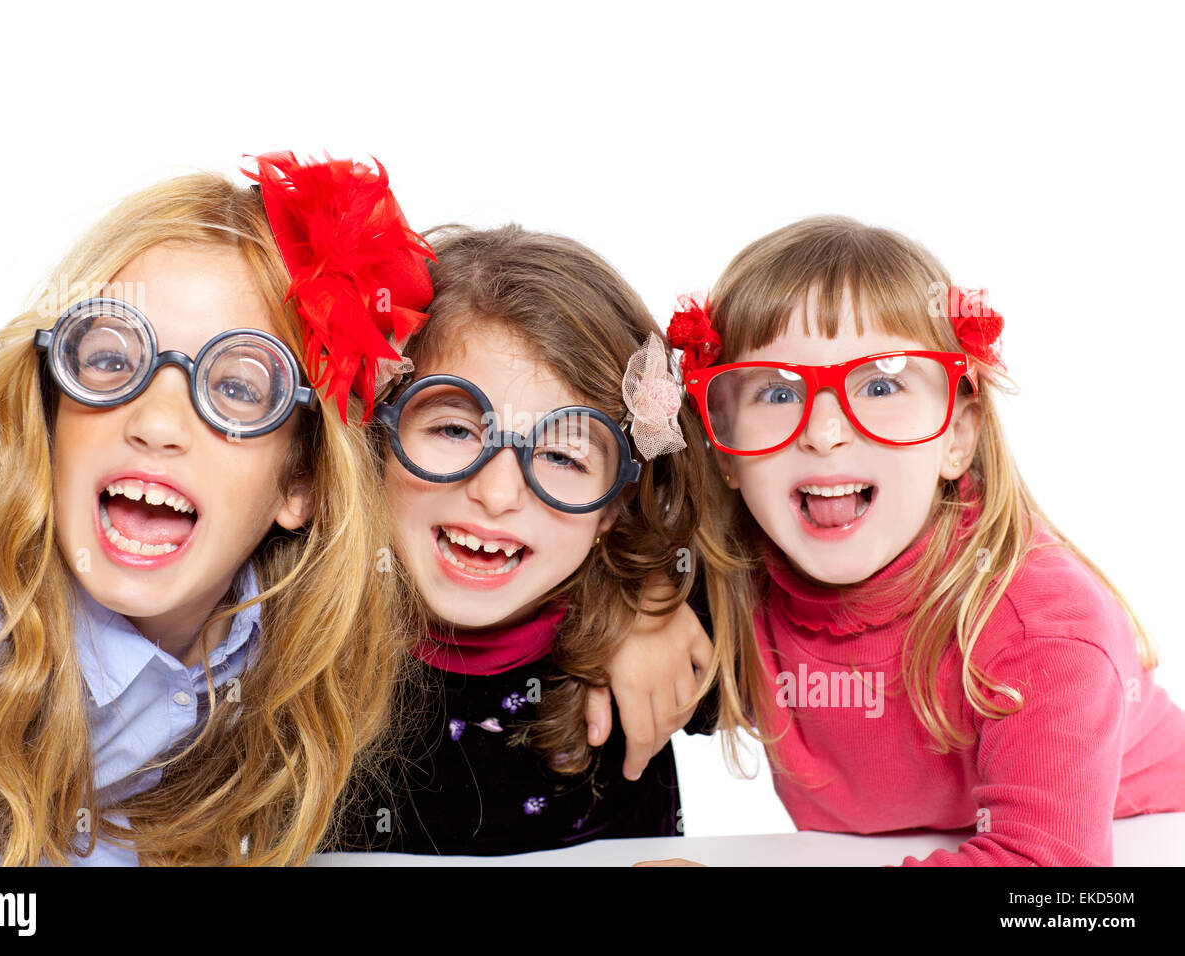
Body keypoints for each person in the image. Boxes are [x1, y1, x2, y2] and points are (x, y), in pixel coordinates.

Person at [0, 152, 429, 865]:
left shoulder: (283, 634)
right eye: (111, 360)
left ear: (300, 486)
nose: (158, 423)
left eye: (237, 388)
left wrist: (627, 615)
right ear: (51, 420)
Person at [666, 215, 1185, 865]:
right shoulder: (738, 580)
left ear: (957, 435)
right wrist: (636, 627)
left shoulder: (1041, 623)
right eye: (776, 389)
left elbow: (1045, 880)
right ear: (725, 449)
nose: (824, 431)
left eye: (881, 384)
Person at [339, 225, 715, 854]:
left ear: (614, 504)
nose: (498, 492)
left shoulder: (671, 625)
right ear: (376, 439)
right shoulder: (288, 628)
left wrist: (654, 606)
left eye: (564, 457)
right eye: (455, 430)